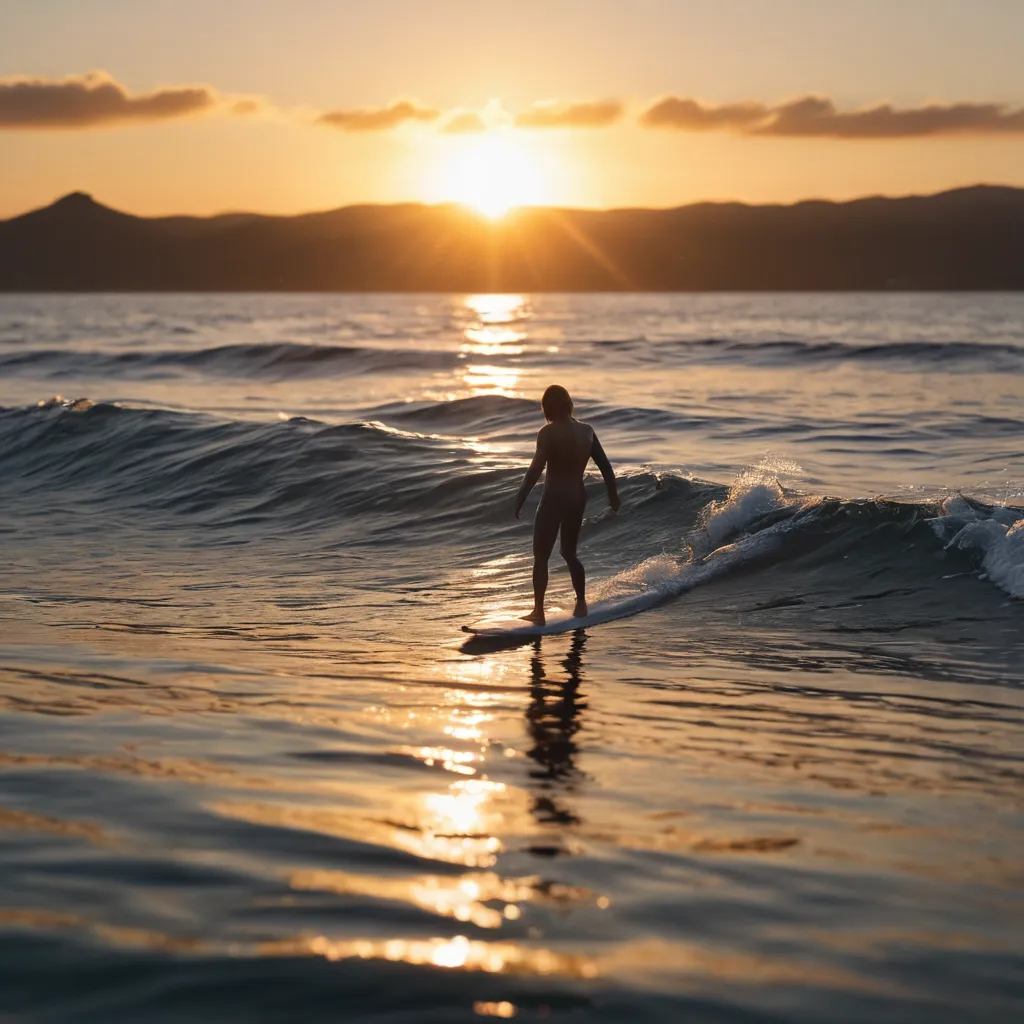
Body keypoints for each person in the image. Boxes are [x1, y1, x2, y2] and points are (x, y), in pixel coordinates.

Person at [514, 385, 619, 624]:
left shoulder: (547, 432)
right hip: (577, 497)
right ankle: (581, 603)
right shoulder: (587, 431)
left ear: (547, 406)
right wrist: (613, 495)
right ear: (569, 403)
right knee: (569, 552)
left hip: (553, 497)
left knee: (541, 555)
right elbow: (606, 467)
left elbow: (535, 469)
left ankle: (538, 612)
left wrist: (521, 496)